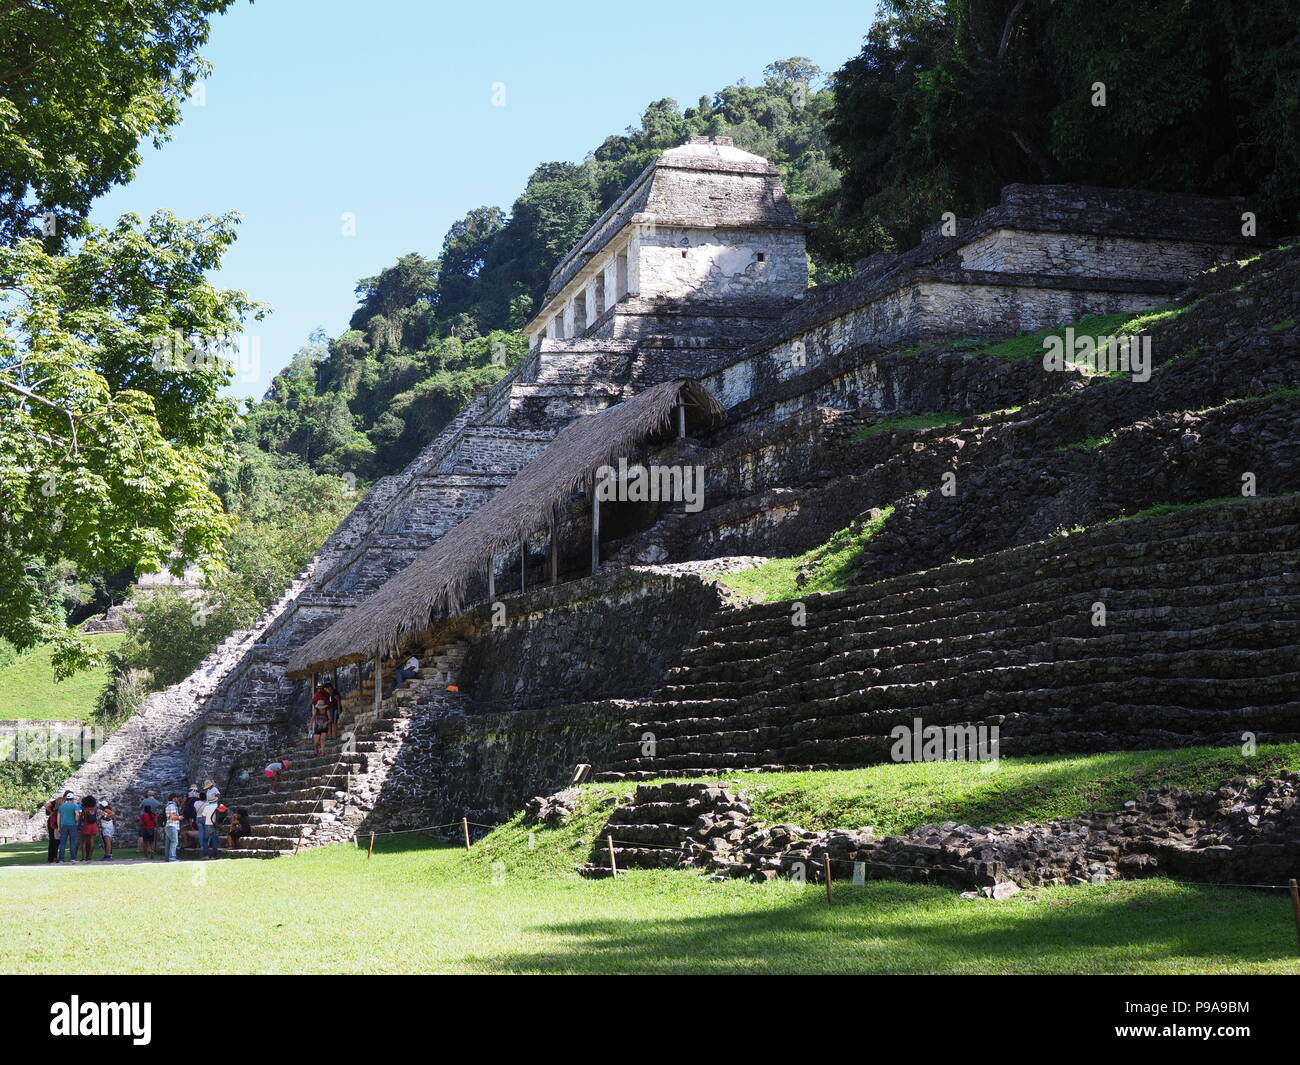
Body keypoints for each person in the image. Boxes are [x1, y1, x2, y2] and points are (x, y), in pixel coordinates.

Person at [137, 791, 162, 856]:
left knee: (141, 836)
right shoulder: (157, 802)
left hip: (144, 821)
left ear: (148, 795)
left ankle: (140, 849)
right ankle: (152, 850)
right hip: (152, 821)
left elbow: (140, 807)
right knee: (152, 839)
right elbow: (159, 810)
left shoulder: (145, 801)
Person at [56, 791, 79, 862]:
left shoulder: (61, 807)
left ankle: (61, 859)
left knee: (62, 843)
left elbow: (58, 818)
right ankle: (73, 858)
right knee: (72, 842)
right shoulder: (75, 806)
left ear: (66, 799)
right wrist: (76, 820)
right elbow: (77, 815)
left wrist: (59, 827)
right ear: (72, 799)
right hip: (72, 825)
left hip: (63, 826)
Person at [79, 795, 99, 861]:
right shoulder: (95, 808)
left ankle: (83, 857)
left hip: (86, 825)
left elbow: (81, 817)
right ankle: (90, 857)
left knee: (84, 842)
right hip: (94, 825)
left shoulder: (85, 809)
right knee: (92, 841)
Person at [163, 793, 182, 862]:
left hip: (168, 826)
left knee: (168, 843)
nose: (178, 799)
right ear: (174, 798)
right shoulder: (172, 806)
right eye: (177, 798)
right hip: (172, 826)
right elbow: (172, 816)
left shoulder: (168, 805)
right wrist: (179, 817)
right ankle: (172, 858)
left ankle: (167, 857)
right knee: (174, 842)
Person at [44, 798, 59, 863]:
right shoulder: (57, 801)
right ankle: (52, 857)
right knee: (53, 840)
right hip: (53, 824)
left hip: (54, 823)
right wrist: (51, 812)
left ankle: (52, 857)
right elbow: (46, 805)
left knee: (55, 841)